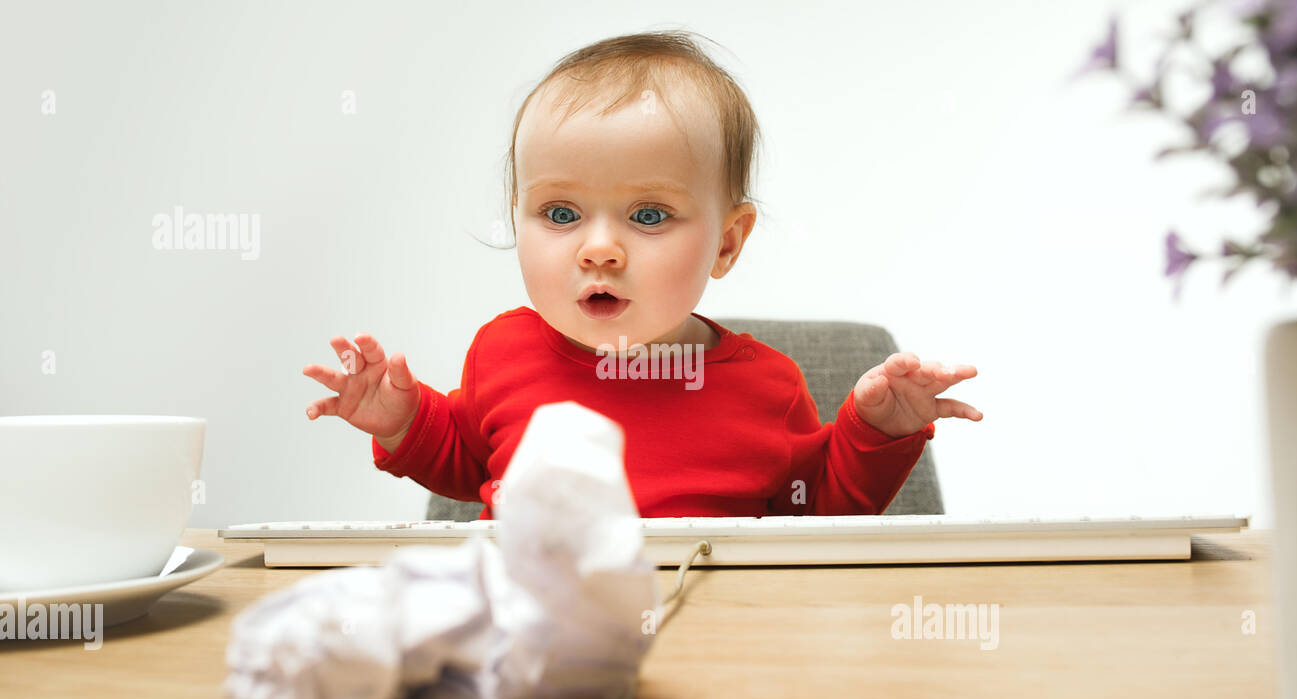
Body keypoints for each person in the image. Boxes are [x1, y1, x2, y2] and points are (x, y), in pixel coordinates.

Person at [302, 29, 982, 520]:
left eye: (649, 216)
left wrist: (877, 433)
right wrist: (400, 420)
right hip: (536, 638)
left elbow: (819, 510)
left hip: (720, 640)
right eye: (561, 212)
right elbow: (462, 458)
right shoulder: (501, 351)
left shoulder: (768, 387)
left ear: (727, 242)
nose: (599, 249)